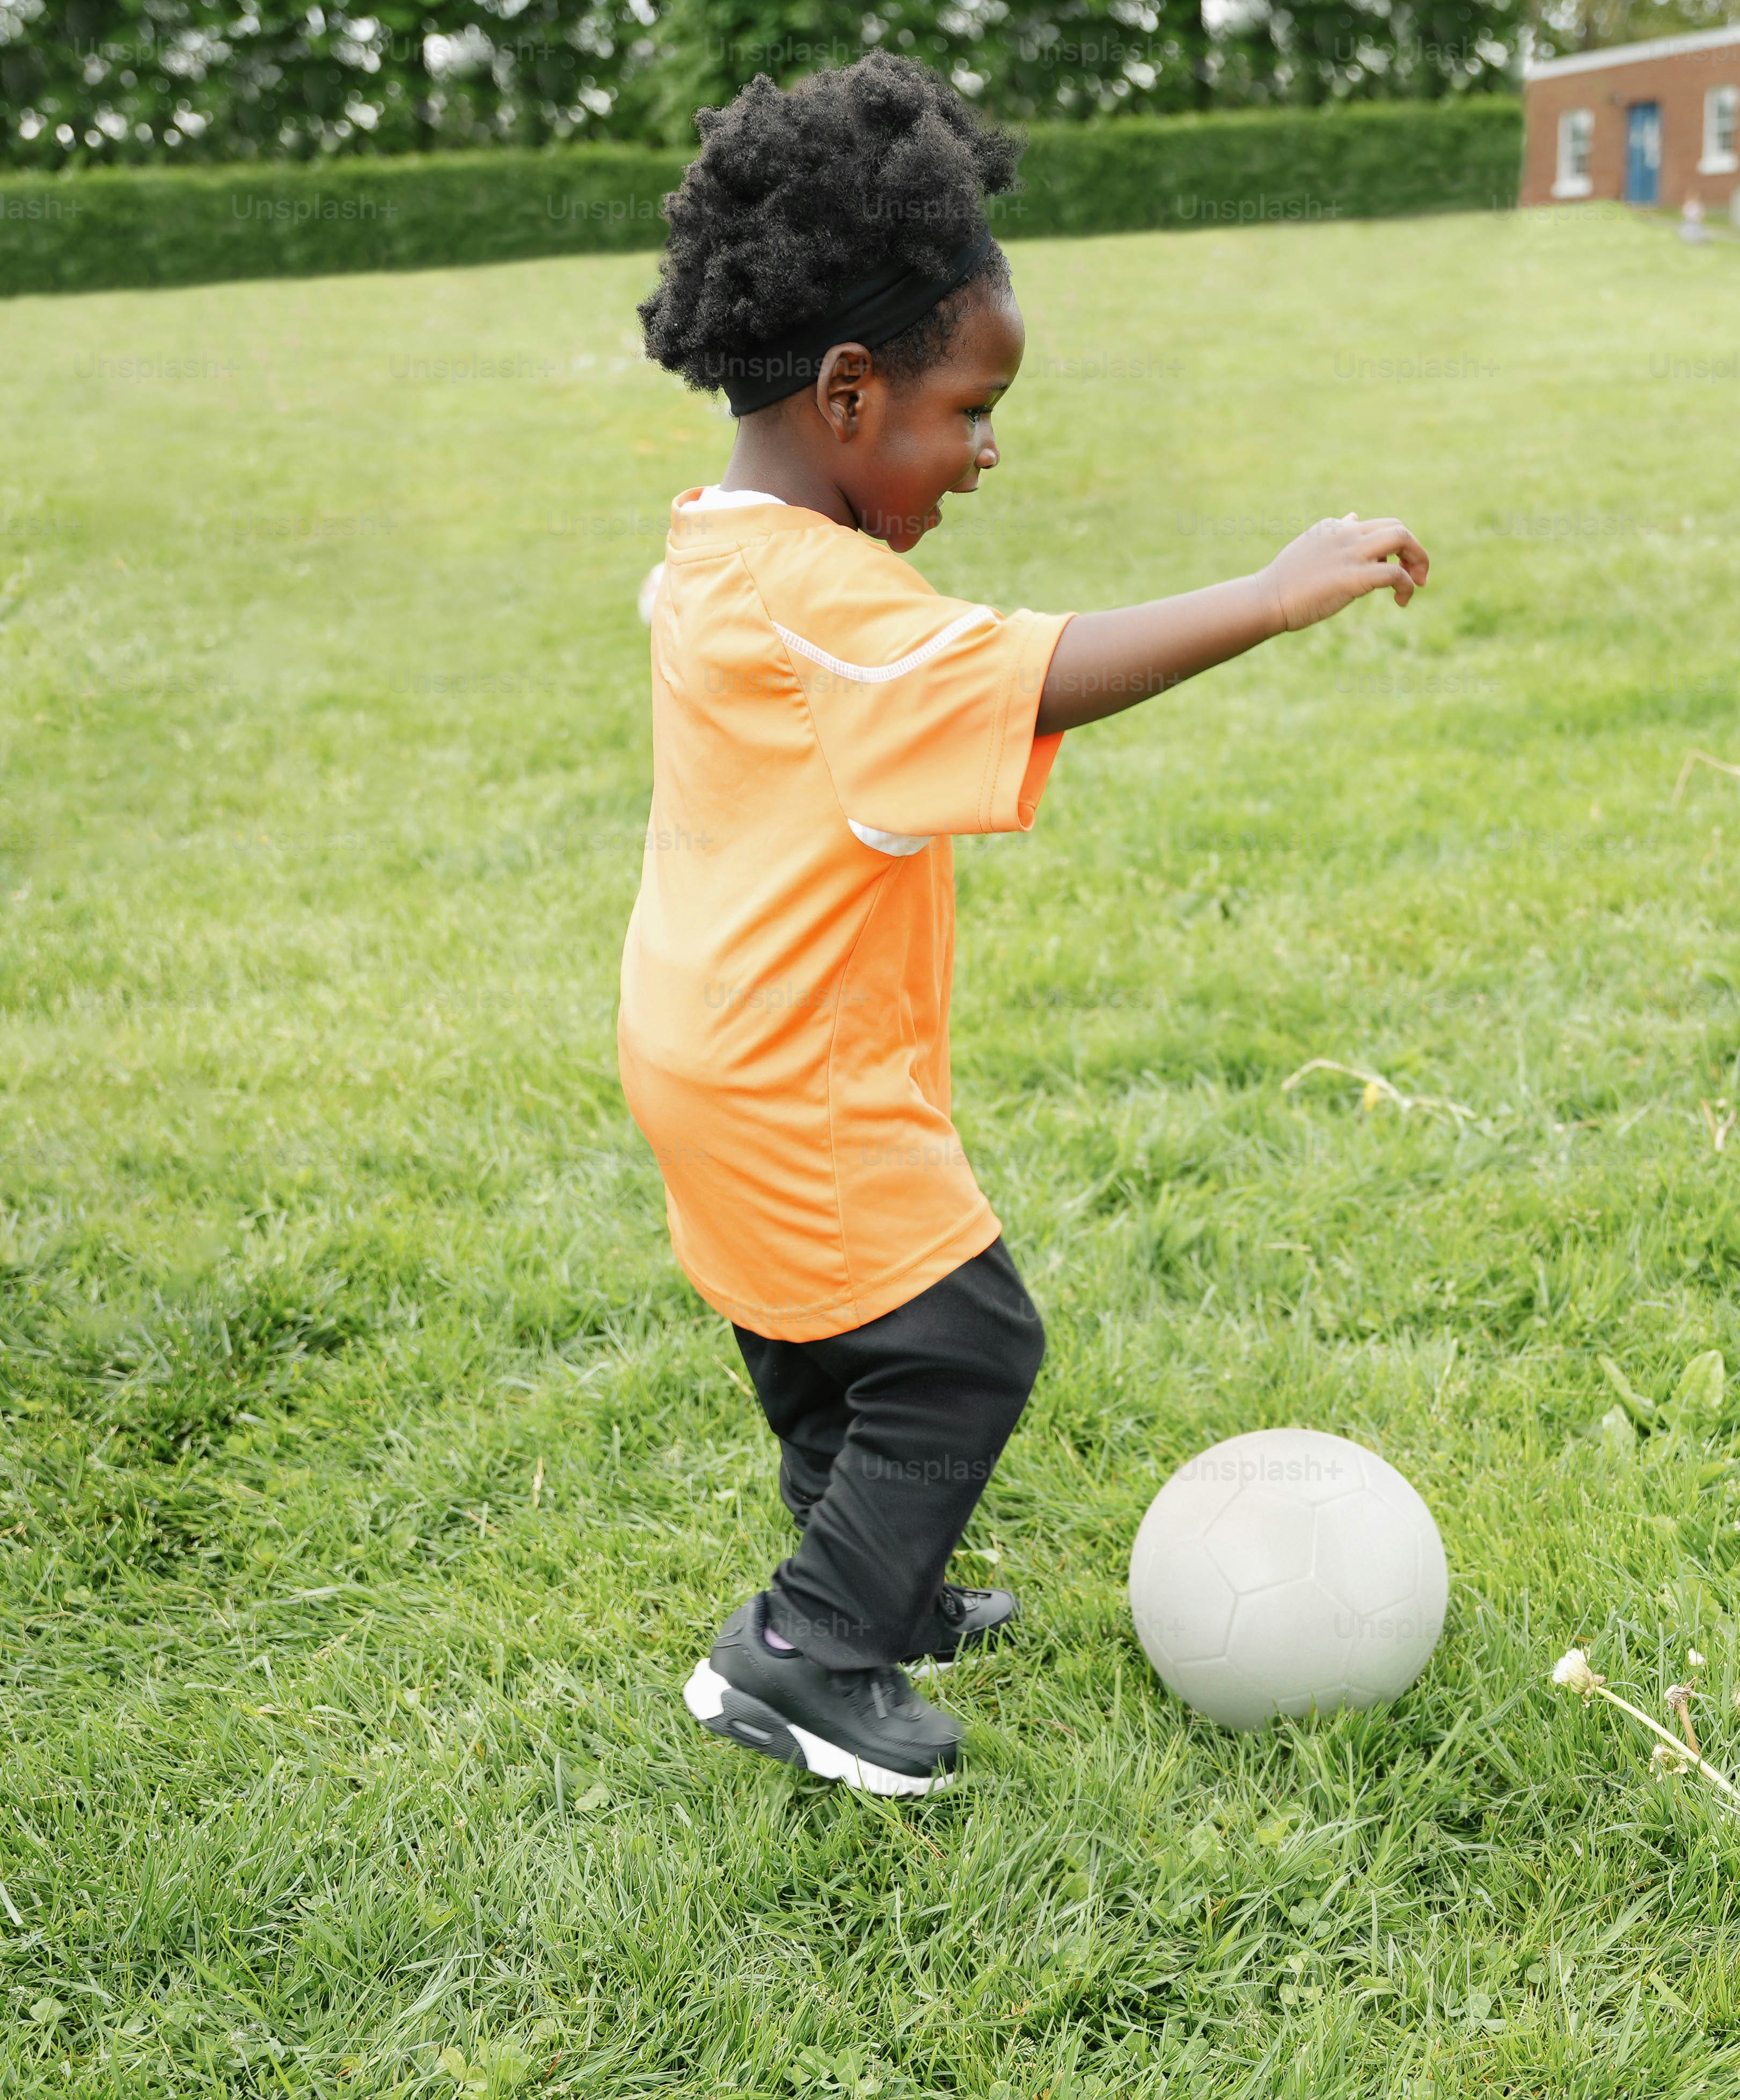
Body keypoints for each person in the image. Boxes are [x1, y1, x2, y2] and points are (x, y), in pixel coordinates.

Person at [620, 54, 1430, 1792]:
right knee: (961, 1343)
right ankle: (805, 1650)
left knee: (831, 1350)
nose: (982, 455)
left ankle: (879, 1585)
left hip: (715, 1043)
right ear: (848, 392)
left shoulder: (723, 545)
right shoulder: (821, 587)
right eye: (965, 412)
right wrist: (1270, 599)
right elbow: (1033, 671)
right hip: (792, 1069)